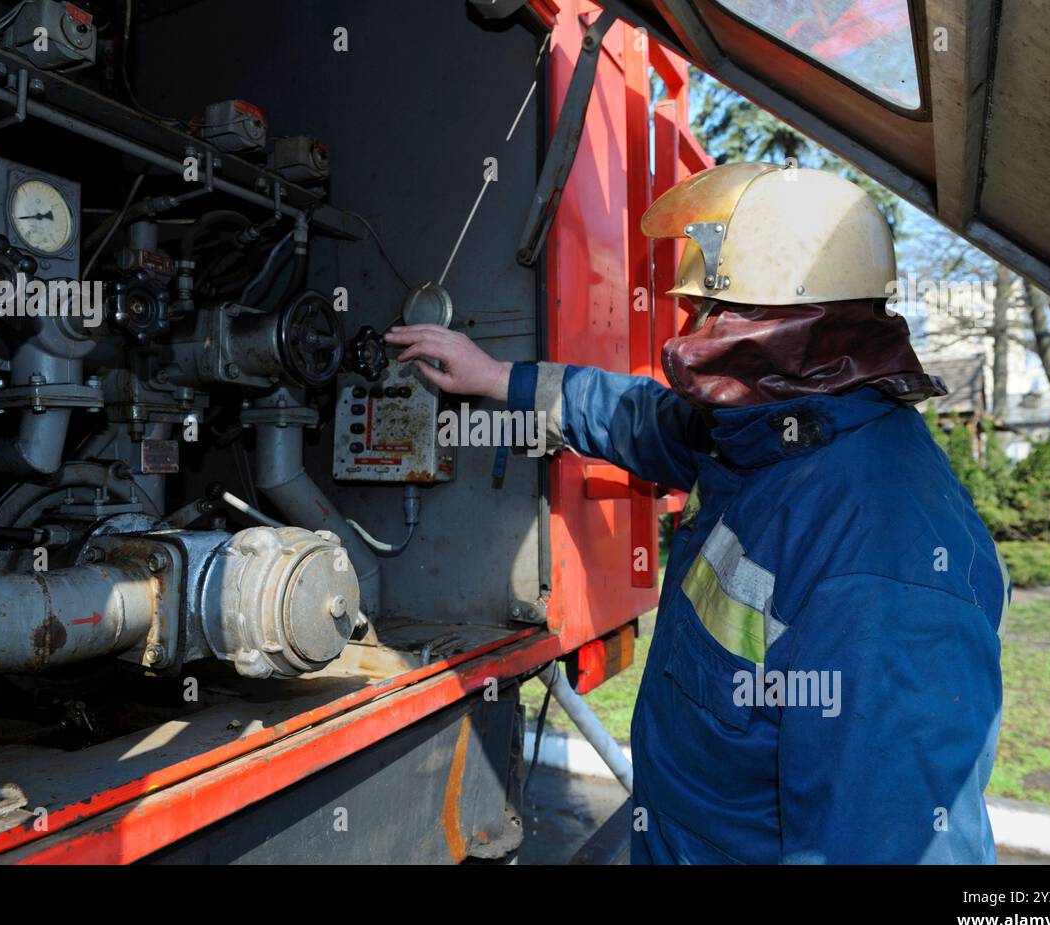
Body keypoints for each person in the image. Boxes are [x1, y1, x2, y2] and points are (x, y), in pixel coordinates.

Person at [384, 162, 1007, 864]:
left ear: (783, 333)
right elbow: (638, 418)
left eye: (709, 315)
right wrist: (498, 378)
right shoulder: (762, 433)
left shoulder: (885, 579)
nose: (693, 333)